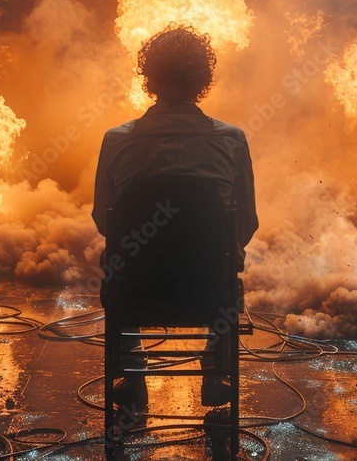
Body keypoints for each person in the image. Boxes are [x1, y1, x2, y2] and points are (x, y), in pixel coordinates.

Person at [92, 24, 258, 409]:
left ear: (148, 78)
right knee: (229, 263)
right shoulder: (231, 140)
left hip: (134, 295)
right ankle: (215, 369)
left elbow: (105, 222)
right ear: (203, 79)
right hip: (209, 295)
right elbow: (245, 224)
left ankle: (132, 374)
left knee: (117, 260)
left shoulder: (117, 140)